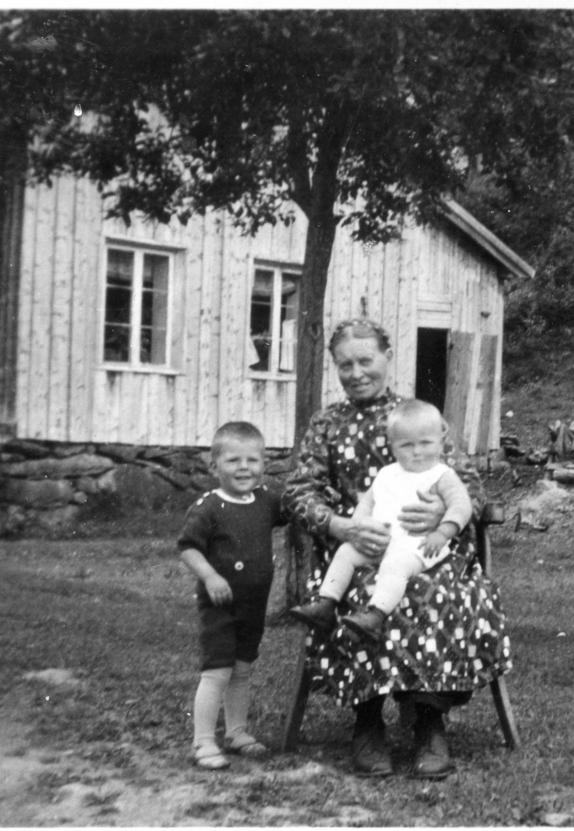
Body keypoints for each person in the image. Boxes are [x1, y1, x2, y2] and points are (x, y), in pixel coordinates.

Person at [283, 318, 511, 780]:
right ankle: (367, 723)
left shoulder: (417, 415)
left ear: (388, 357)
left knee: (433, 592)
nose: (356, 372)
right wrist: (340, 525)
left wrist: (441, 515)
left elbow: (470, 486)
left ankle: (429, 723)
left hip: (426, 549)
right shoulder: (328, 423)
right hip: (359, 547)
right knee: (357, 592)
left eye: (366, 360)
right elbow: (298, 491)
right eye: (345, 364)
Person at [289, 399, 473, 642]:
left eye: (426, 443)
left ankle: (375, 615)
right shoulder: (387, 473)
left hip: (419, 546)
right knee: (345, 552)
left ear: (441, 443)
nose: (417, 451)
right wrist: (359, 525)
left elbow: (462, 504)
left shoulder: (441, 475)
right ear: (393, 448)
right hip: (382, 540)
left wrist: (442, 532)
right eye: (406, 445)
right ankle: (326, 603)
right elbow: (367, 503)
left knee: (394, 565)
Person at [178, 421, 289, 770]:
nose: (244, 468)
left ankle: (237, 732)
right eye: (233, 461)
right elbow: (188, 548)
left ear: (264, 464)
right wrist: (210, 576)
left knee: (242, 669)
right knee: (218, 671)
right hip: (220, 606)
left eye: (253, 461)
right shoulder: (208, 507)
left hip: (253, 605)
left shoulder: (267, 501)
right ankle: (203, 741)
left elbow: (295, 512)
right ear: (214, 467)